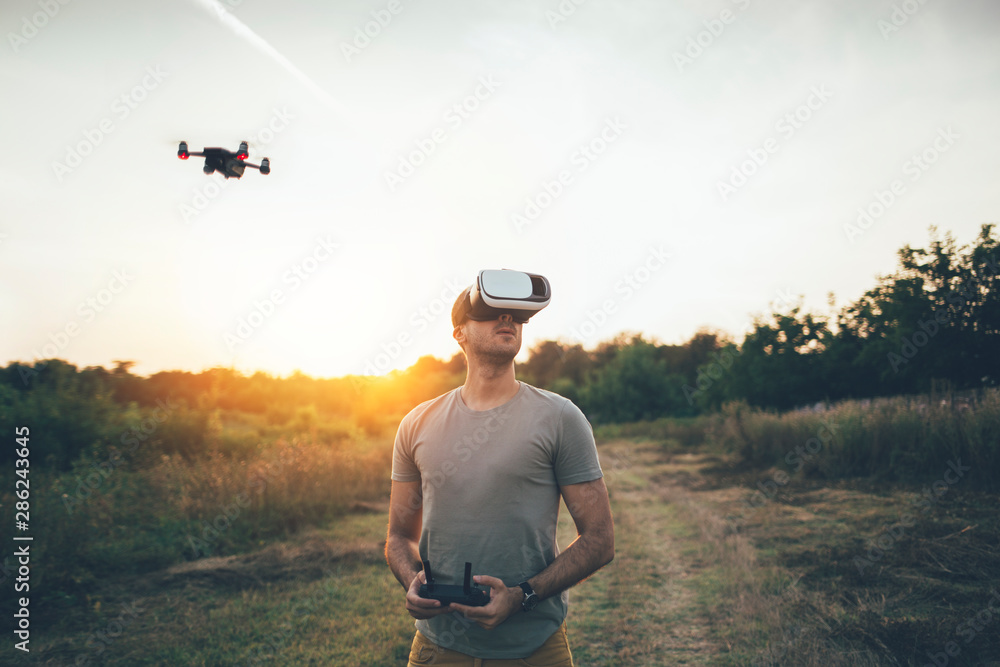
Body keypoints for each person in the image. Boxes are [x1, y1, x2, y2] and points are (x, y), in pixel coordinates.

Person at [385, 276, 615, 666]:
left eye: (516, 314)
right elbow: (398, 536)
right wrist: (412, 582)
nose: (506, 317)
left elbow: (599, 539)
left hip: (535, 648)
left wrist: (521, 595)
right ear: (459, 333)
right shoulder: (416, 424)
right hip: (437, 650)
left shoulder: (560, 418)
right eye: (489, 312)